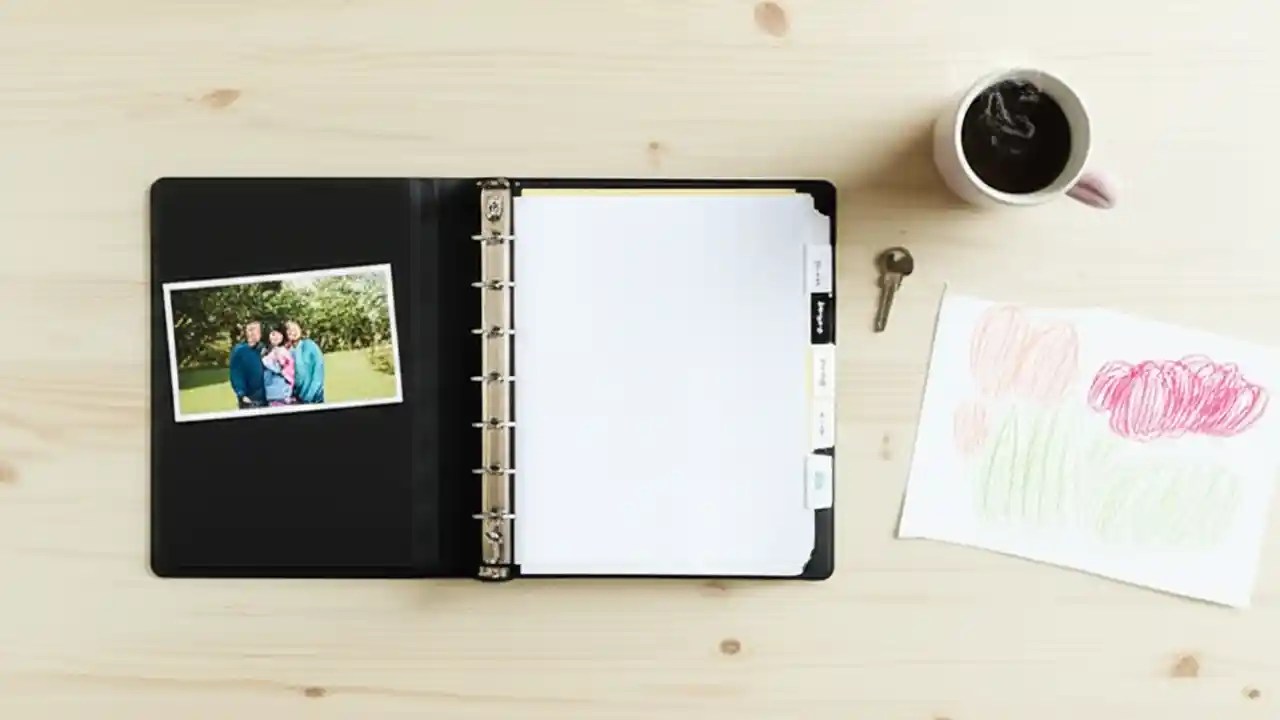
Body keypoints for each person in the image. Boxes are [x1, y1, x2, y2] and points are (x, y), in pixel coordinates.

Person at [285, 320, 325, 404]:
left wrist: (309, 397)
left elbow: (318, 371)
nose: (292, 332)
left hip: (314, 399)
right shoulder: (287, 352)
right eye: (289, 329)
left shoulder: (310, 346)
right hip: (295, 400)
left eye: (294, 328)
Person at [229, 321, 266, 409]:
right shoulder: (240, 351)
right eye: (250, 330)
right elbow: (236, 373)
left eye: (256, 330)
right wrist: (241, 394)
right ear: (246, 332)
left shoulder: (264, 349)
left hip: (266, 398)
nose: (253, 333)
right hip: (249, 399)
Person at [262, 326, 296, 407]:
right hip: (268, 394)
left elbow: (281, 369)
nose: (276, 337)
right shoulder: (265, 351)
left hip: (281, 393)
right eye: (273, 334)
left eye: (279, 334)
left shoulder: (283, 351)